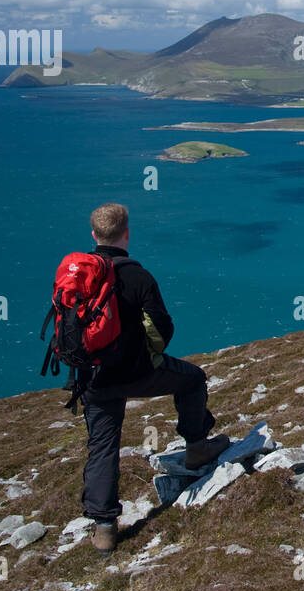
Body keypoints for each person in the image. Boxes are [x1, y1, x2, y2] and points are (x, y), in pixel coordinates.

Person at [78, 202, 229, 554]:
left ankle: (104, 529)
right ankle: (196, 449)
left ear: (94, 235)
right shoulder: (137, 275)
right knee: (192, 379)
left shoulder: (79, 276)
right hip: (139, 373)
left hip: (94, 380)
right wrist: (148, 352)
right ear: (126, 234)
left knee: (102, 446)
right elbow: (162, 326)